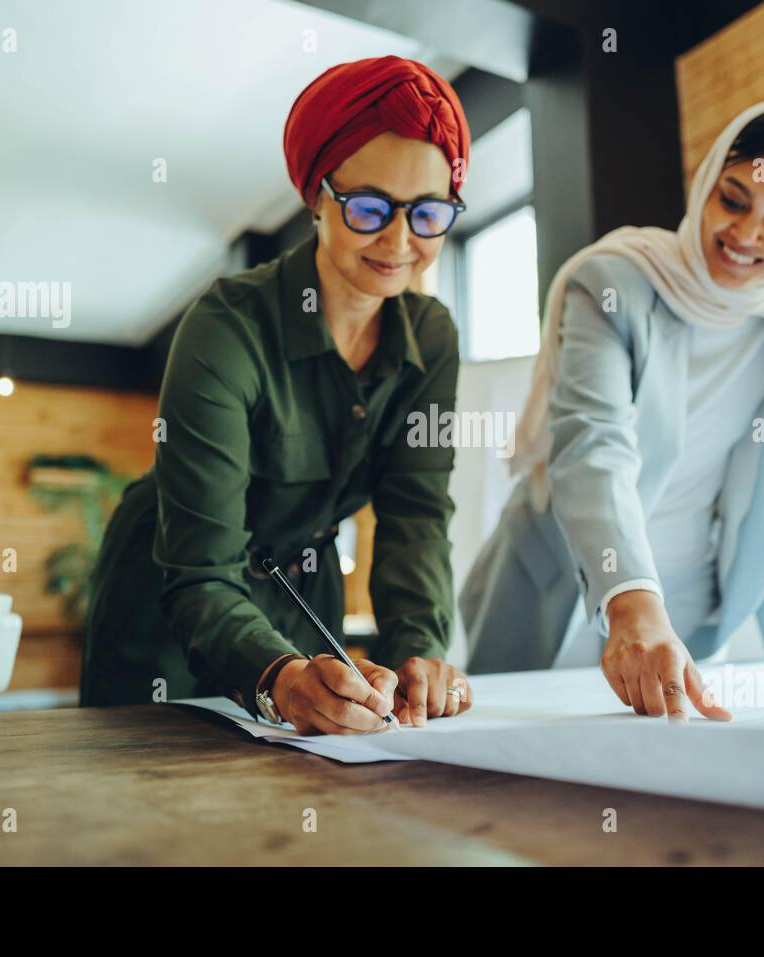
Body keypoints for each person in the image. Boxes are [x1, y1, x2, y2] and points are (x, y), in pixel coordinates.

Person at [81, 55, 474, 733]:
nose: (400, 240)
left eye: (429, 212)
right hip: (171, 591)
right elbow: (202, 566)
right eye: (370, 207)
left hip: (302, 588)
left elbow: (416, 516)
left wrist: (419, 651)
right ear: (317, 197)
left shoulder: (431, 337)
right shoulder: (226, 326)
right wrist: (277, 676)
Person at [460, 97, 764, 721]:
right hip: (565, 585)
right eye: (733, 199)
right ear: (705, 184)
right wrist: (630, 600)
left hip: (684, 609)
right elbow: (593, 445)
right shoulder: (615, 280)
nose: (746, 235)